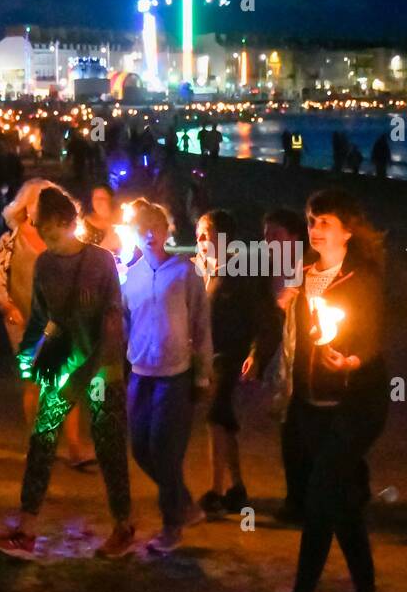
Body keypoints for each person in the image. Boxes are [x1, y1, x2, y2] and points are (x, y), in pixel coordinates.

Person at [0, 187, 134, 560]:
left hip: (103, 371)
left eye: (51, 233)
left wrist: (91, 369)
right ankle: (27, 530)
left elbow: (112, 321)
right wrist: (28, 357)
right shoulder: (46, 265)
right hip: (64, 365)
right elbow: (39, 318)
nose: (47, 242)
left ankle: (124, 526)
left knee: (109, 446)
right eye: (42, 234)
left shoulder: (100, 262)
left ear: (70, 224)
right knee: (42, 443)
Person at [276, 189, 389, 592]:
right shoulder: (303, 278)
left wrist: (350, 361)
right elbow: (296, 344)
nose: (315, 229)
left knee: (320, 494)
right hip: (311, 406)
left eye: (324, 221)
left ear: (347, 230)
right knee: (340, 500)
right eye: (311, 220)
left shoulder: (362, 279)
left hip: (357, 406)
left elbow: (372, 341)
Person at [121, 199, 213, 553]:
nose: (148, 235)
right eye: (141, 229)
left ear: (166, 231)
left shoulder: (184, 274)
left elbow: (202, 327)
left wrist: (203, 375)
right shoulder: (132, 277)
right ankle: (186, 505)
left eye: (154, 228)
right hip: (140, 375)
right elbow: (126, 323)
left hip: (175, 377)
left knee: (165, 451)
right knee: (141, 449)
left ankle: (171, 526)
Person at [193, 210, 283, 517]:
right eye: (198, 236)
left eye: (206, 234)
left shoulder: (242, 272)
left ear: (224, 237)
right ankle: (237, 488)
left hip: (233, 357)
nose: (200, 241)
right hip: (214, 357)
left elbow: (265, 317)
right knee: (224, 422)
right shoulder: (211, 271)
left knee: (216, 419)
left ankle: (217, 492)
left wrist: (257, 355)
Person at [0, 179, 54, 427]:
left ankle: (69, 443)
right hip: (23, 321)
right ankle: (35, 439)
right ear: (25, 206)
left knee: (63, 381)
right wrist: (6, 306)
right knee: (33, 382)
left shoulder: (57, 237)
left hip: (57, 321)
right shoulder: (10, 241)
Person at [262, 207, 311, 523]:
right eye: (265, 234)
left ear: (294, 237)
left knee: (300, 431)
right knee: (289, 430)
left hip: (304, 362)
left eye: (275, 234)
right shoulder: (270, 267)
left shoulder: (305, 268)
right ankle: (298, 497)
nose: (267, 240)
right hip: (284, 362)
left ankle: (300, 500)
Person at [81, 183, 122, 255]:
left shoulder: (122, 218)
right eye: (95, 198)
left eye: (102, 198)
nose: (98, 202)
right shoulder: (86, 224)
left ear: (110, 199)